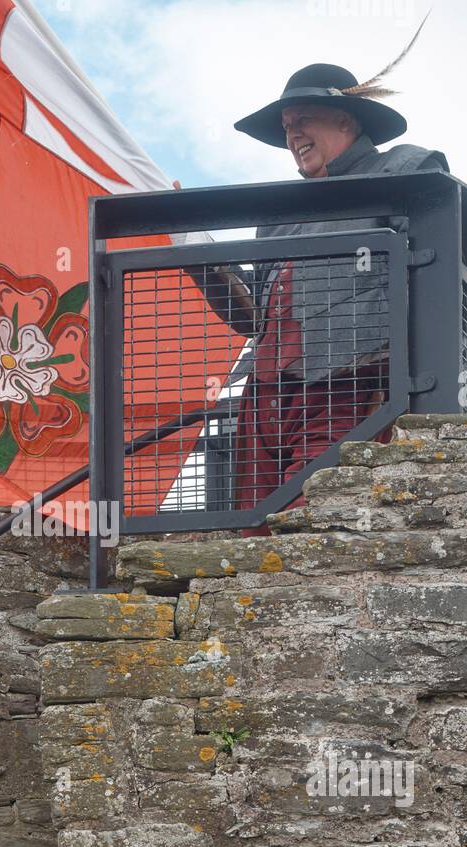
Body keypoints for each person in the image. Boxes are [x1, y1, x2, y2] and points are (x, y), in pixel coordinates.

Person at [178, 42, 447, 536]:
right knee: (252, 531)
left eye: (302, 119)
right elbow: (252, 318)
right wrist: (201, 256)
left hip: (349, 382)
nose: (292, 134)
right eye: (286, 127)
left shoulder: (404, 170)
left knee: (313, 517)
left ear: (346, 120)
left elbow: (438, 269)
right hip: (267, 395)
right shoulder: (280, 216)